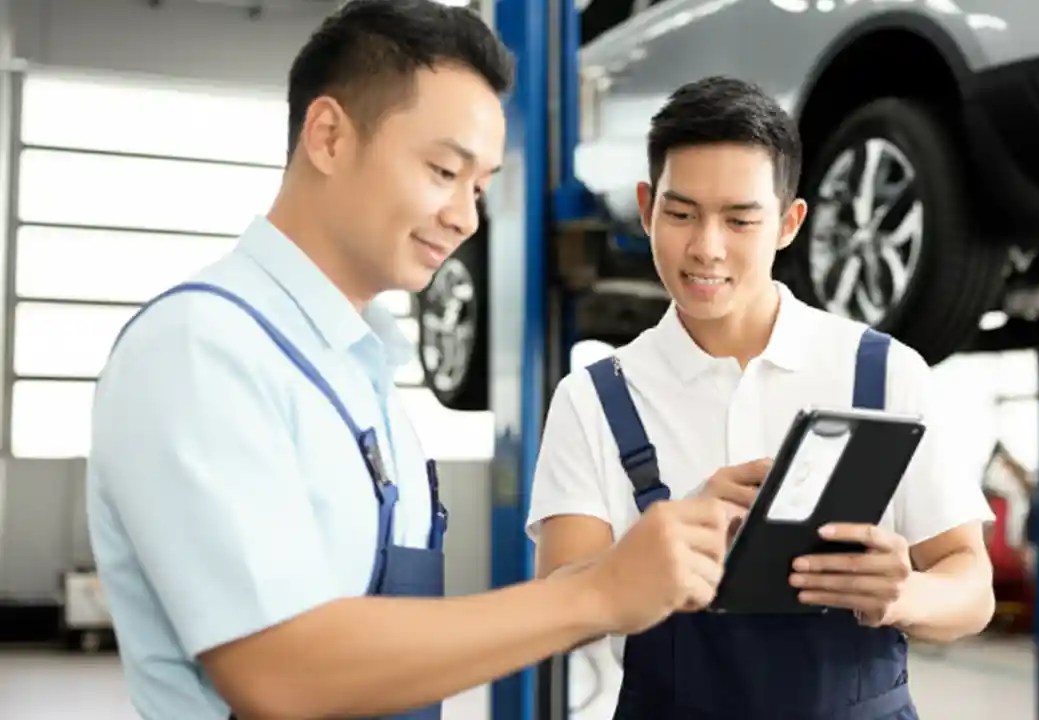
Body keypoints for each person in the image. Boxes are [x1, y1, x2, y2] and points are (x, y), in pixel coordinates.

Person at [85, 3, 733, 719]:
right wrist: (594, 594)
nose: (467, 217)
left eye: (479, 186)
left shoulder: (361, 376)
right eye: (443, 170)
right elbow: (279, 670)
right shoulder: (201, 350)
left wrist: (646, 559)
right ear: (329, 136)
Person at [526, 76, 997, 719]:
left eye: (740, 219)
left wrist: (905, 594)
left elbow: (972, 590)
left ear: (788, 223)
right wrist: (664, 540)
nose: (706, 248)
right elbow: (555, 613)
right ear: (645, 208)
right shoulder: (594, 400)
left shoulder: (885, 375)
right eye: (681, 213)